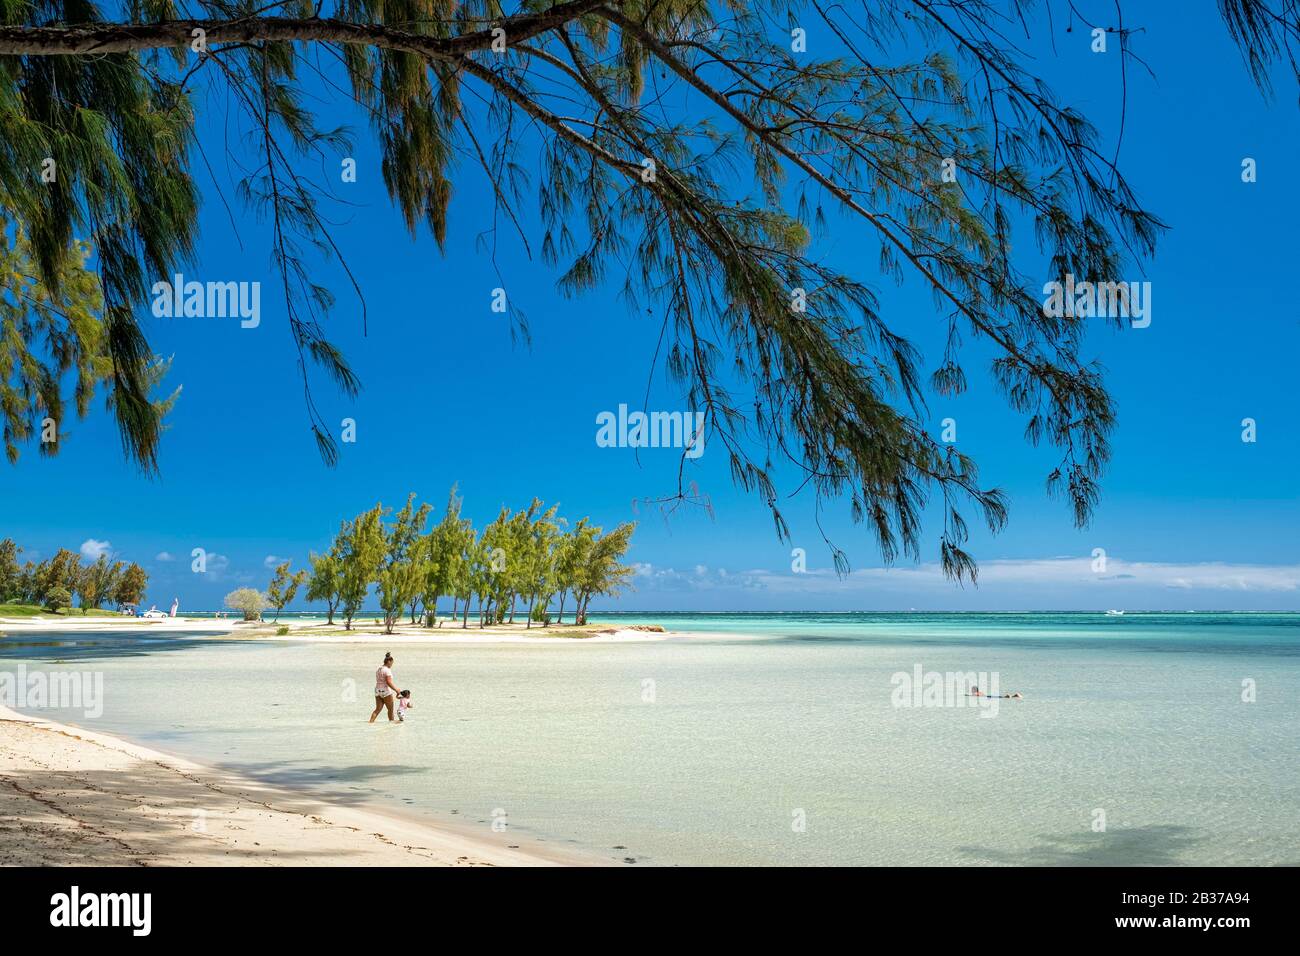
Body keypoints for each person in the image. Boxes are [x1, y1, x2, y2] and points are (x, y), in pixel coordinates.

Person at [369, 653, 402, 723]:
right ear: (389, 661)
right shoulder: (387, 670)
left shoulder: (379, 669)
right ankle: (391, 725)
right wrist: (396, 690)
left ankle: (370, 723)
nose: (392, 665)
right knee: (390, 709)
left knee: (377, 709)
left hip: (377, 690)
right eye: (392, 663)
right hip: (385, 691)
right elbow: (388, 682)